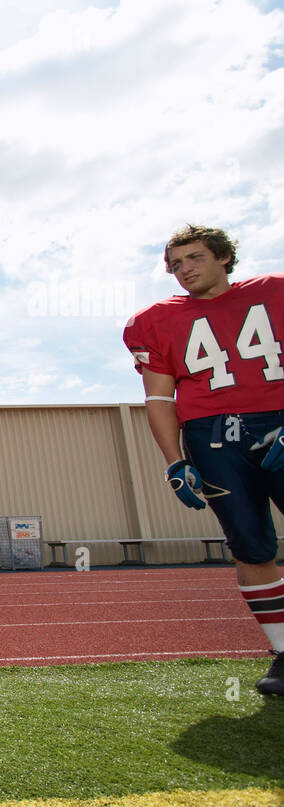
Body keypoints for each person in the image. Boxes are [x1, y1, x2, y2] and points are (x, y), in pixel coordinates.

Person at [124, 224, 284, 696]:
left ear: (223, 257)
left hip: (278, 419)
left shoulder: (274, 292)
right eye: (174, 265)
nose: (184, 270)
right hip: (212, 436)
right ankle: (282, 651)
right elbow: (158, 398)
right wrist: (175, 461)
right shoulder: (155, 319)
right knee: (250, 544)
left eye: (194, 258)